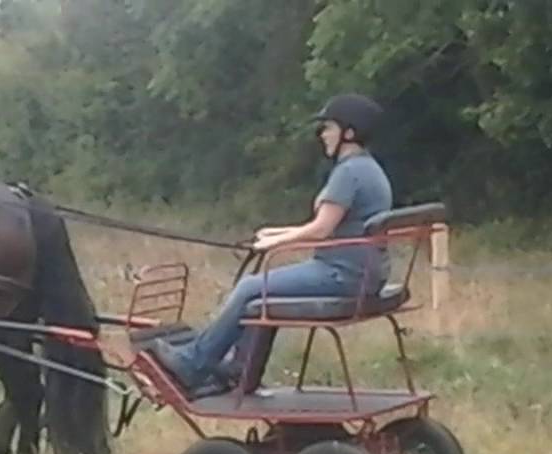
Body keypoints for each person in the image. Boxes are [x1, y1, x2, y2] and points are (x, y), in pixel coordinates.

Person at [152, 92, 394, 393]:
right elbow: (329, 226)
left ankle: (192, 364)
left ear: (349, 133)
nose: (322, 134)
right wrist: (274, 234)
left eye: (328, 127)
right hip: (361, 273)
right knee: (259, 293)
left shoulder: (348, 173)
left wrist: (274, 243)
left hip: (342, 274)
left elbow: (321, 230)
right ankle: (237, 367)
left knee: (249, 287)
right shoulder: (369, 169)